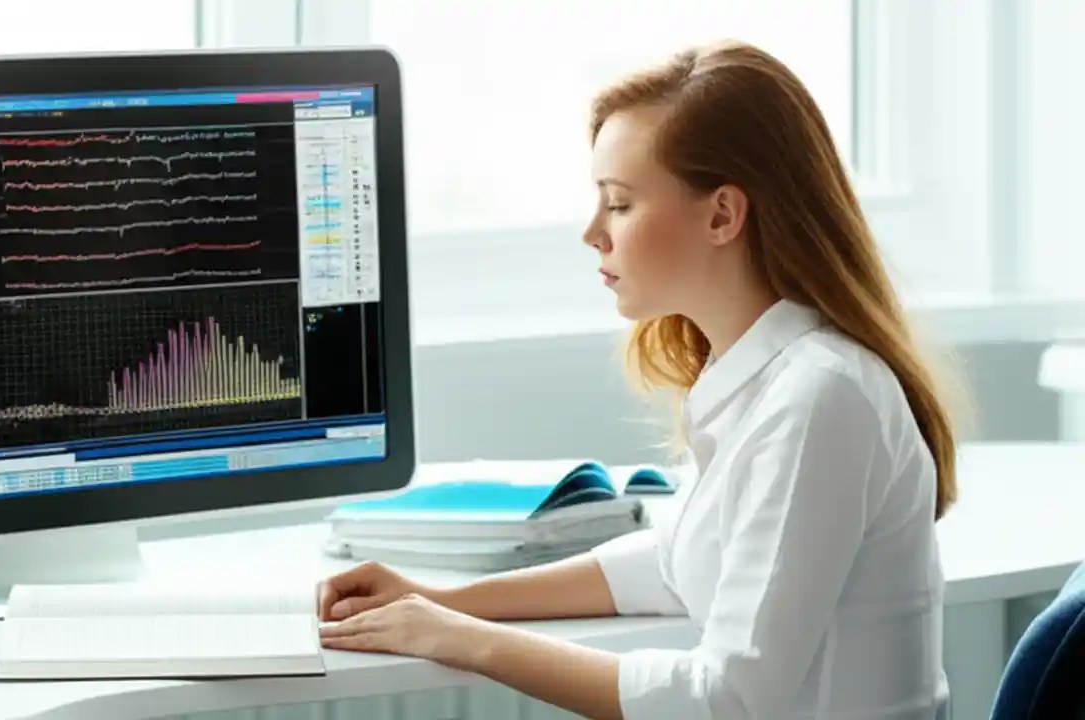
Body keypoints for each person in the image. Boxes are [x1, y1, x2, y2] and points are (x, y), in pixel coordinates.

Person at [316, 39, 960, 720]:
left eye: (619, 204)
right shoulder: (757, 375)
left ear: (722, 215)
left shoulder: (819, 398)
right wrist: (441, 601)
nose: (592, 232)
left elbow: (728, 697)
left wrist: (465, 640)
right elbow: (676, 562)